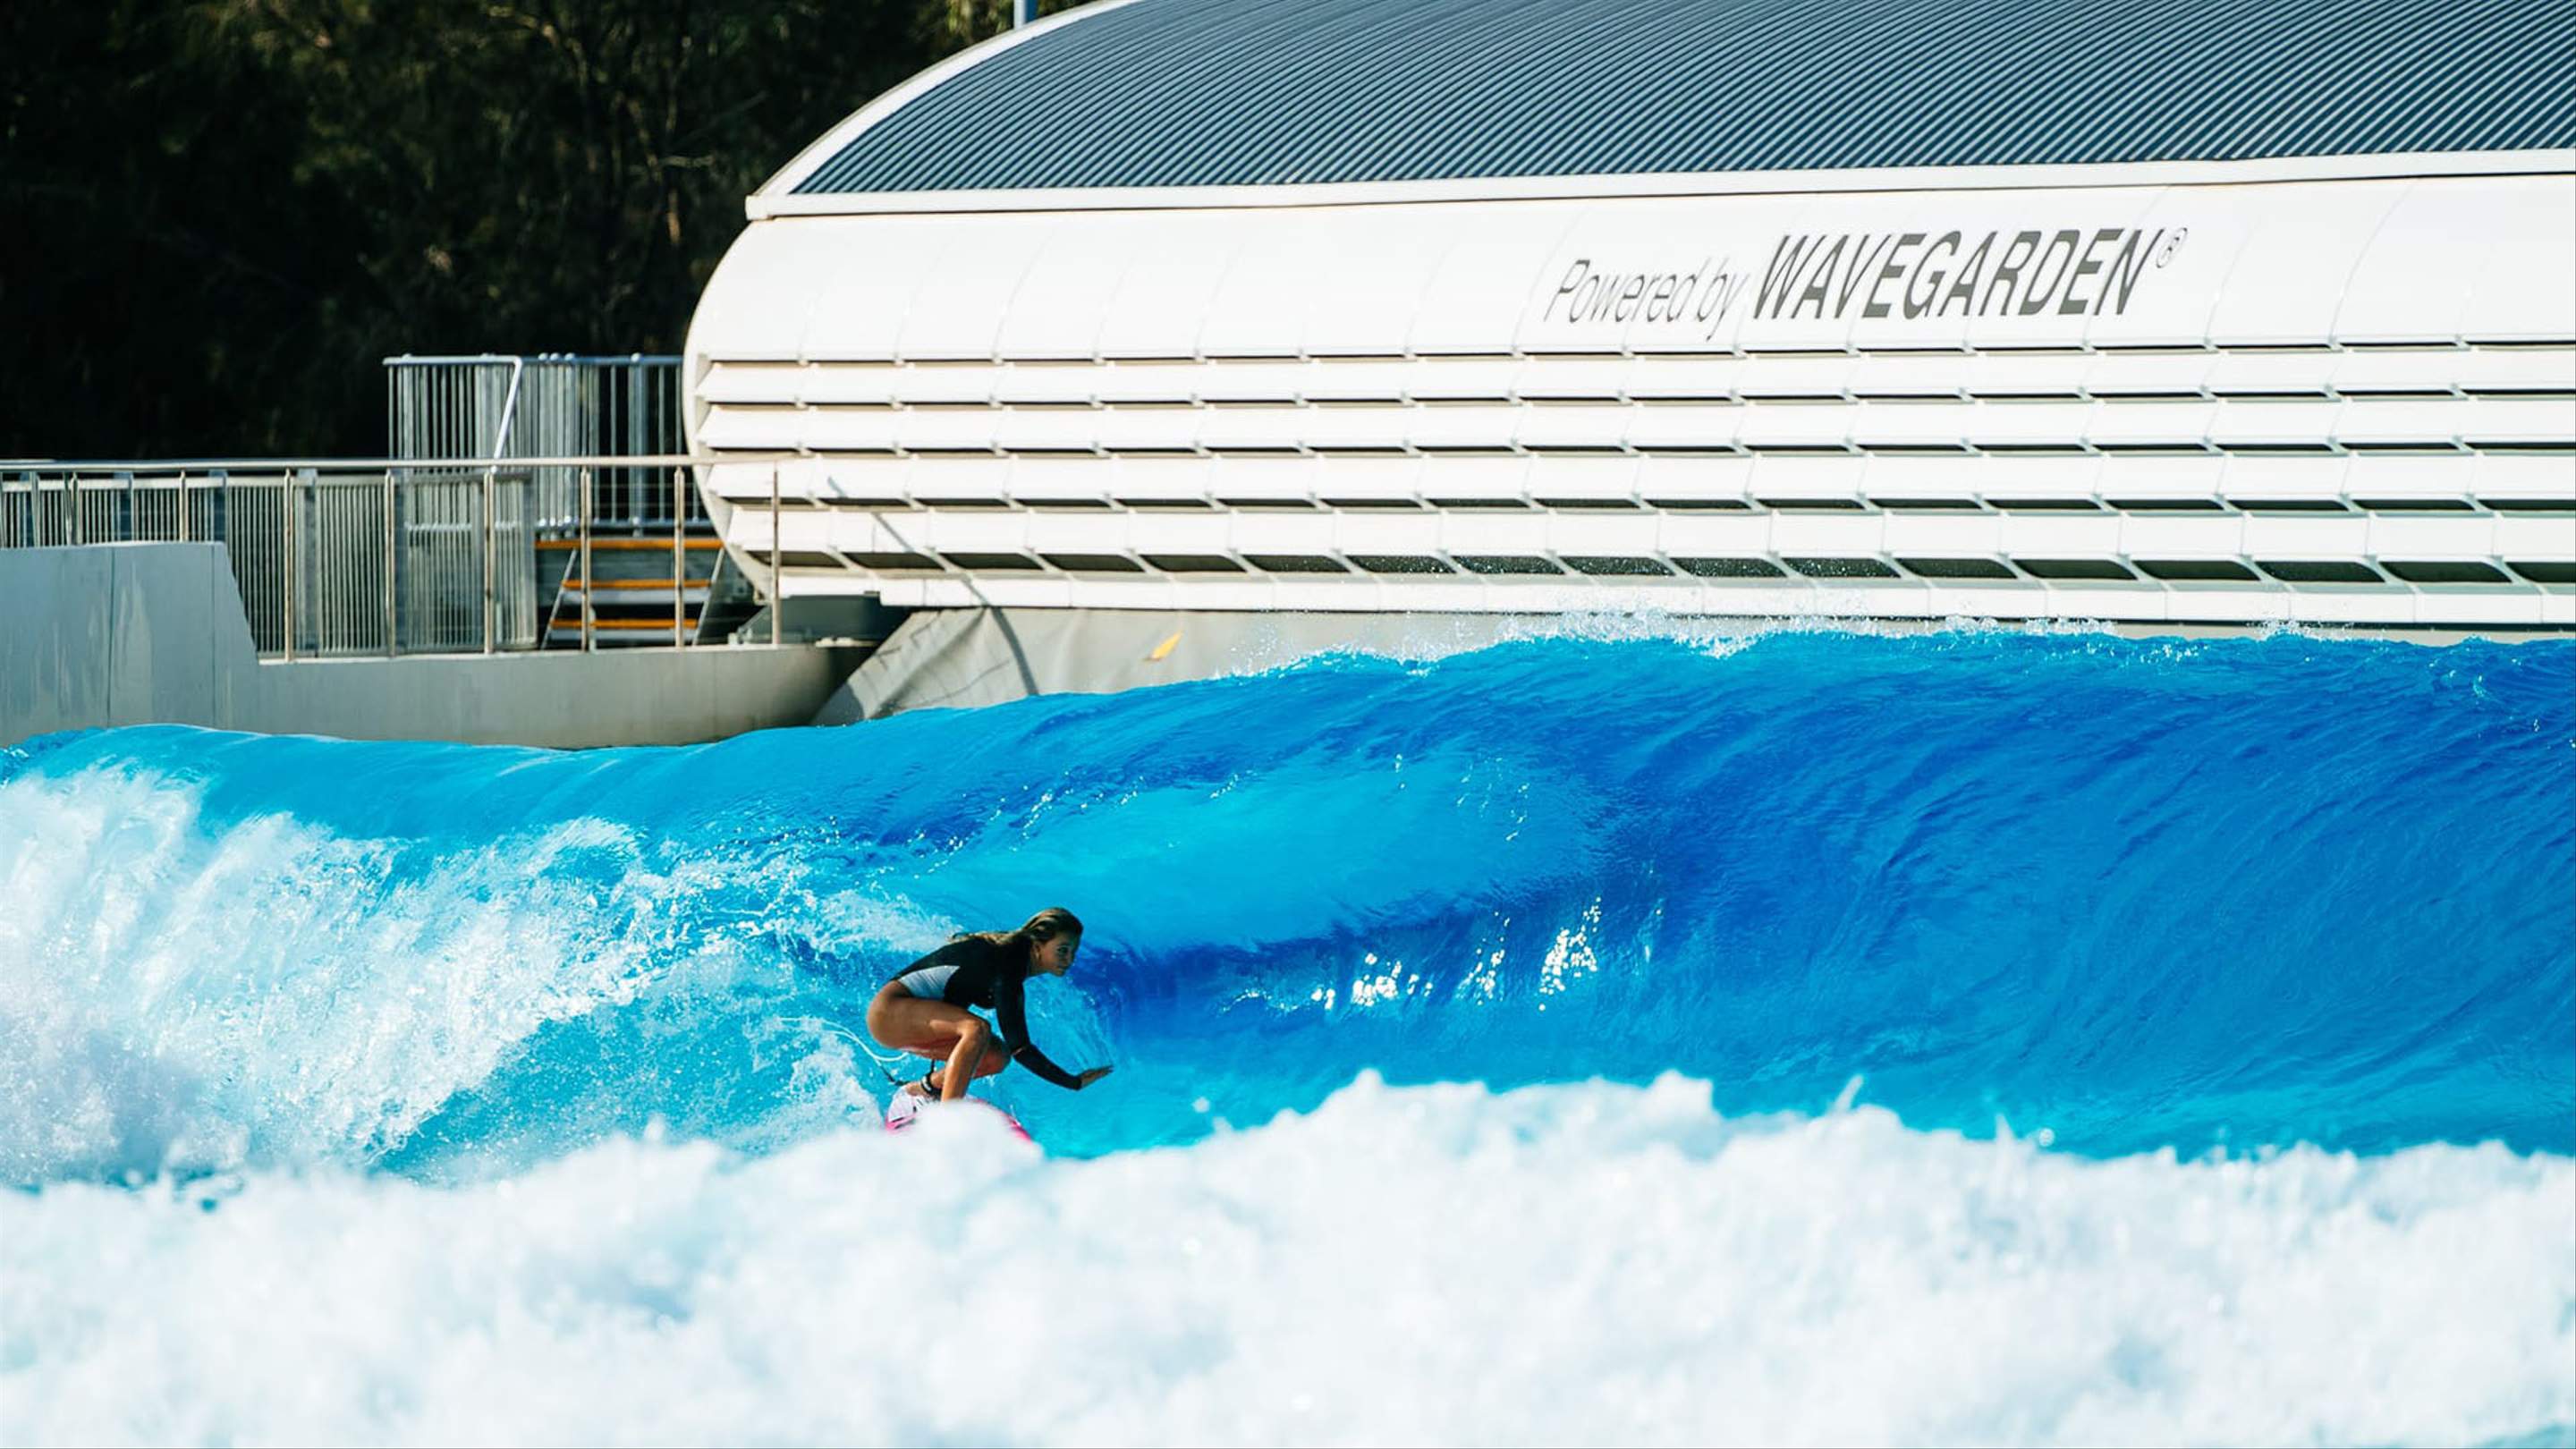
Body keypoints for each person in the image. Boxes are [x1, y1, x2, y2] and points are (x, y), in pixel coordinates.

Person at [865, 906, 1114, 1105]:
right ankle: (946, 1121)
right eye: (1062, 950)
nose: (1070, 960)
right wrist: (1072, 1082)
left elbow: (1015, 1050)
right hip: (889, 1013)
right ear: (1038, 946)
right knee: (977, 1029)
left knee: (996, 1057)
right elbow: (1023, 1049)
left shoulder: (1012, 958)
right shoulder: (1008, 965)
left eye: (1073, 952)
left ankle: (923, 1089)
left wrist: (1074, 1083)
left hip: (916, 1021)